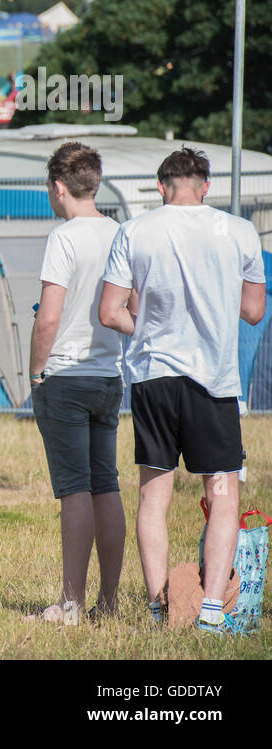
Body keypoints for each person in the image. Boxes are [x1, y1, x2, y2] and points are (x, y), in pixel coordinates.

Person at [98, 147, 266, 634]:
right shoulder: (238, 231)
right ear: (206, 185)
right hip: (212, 381)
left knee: (155, 495)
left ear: (161, 185)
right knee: (222, 490)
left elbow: (110, 311)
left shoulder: (136, 230)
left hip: (153, 377)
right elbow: (254, 311)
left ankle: (158, 609)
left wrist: (151, 328)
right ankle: (211, 609)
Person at [26, 143, 126, 624]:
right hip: (109, 375)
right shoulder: (121, 233)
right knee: (107, 486)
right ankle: (108, 601)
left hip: (65, 376)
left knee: (75, 491)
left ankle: (70, 603)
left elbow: (49, 317)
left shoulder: (63, 237)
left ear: (58, 187)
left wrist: (35, 372)